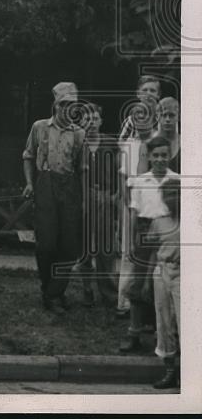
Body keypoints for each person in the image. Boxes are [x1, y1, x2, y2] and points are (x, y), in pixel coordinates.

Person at [22, 82, 88, 314]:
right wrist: (30, 184)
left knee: (68, 246)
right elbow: (28, 157)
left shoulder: (79, 134)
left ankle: (54, 294)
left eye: (72, 105)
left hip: (70, 188)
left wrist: (83, 198)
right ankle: (48, 288)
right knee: (46, 245)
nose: (67, 109)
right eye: (63, 104)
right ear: (55, 105)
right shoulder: (39, 127)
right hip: (45, 187)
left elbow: (82, 169)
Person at [120, 136, 177, 354]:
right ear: (150, 157)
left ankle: (161, 336)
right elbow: (134, 213)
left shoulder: (176, 179)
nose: (161, 159)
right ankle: (133, 334)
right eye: (156, 155)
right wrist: (133, 238)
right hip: (145, 233)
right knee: (139, 283)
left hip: (168, 233)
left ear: (170, 154)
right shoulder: (140, 181)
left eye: (164, 155)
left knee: (163, 285)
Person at [72, 102, 120, 309]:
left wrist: (116, 195)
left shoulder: (111, 142)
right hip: (84, 196)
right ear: (81, 122)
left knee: (105, 248)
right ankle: (87, 290)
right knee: (84, 248)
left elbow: (120, 170)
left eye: (95, 119)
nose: (91, 123)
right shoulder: (77, 144)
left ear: (101, 121)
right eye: (87, 119)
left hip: (105, 197)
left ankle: (109, 292)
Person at [150, 165, 180, 389]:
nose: (172, 198)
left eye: (176, 194)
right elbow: (151, 249)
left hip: (184, 272)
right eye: (167, 194)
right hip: (161, 270)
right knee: (164, 322)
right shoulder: (158, 219)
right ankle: (170, 370)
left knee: (185, 321)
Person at [152, 97, 180, 172]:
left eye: (171, 115)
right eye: (163, 115)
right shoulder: (148, 142)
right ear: (157, 117)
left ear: (178, 117)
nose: (167, 119)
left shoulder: (186, 143)